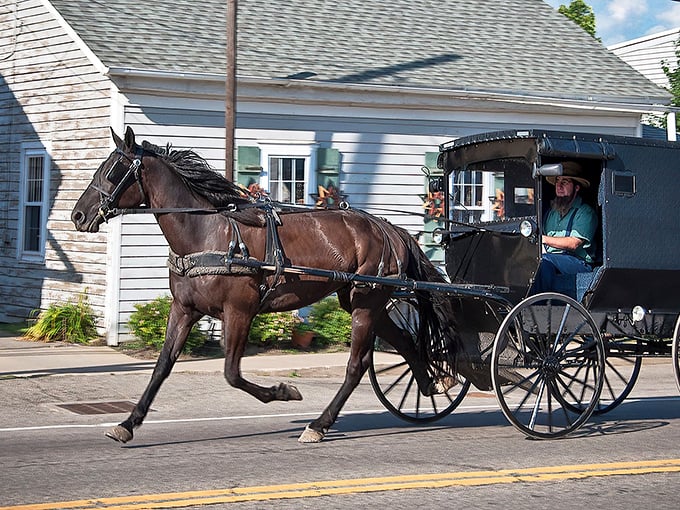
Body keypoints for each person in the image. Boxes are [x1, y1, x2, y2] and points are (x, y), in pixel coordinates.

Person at [530, 161, 598, 298]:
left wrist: (543, 239)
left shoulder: (584, 212)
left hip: (578, 263)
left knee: (544, 262)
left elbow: (573, 243)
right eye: (557, 182)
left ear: (576, 187)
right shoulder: (551, 213)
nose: (559, 186)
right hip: (551, 258)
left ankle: (538, 305)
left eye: (565, 182)